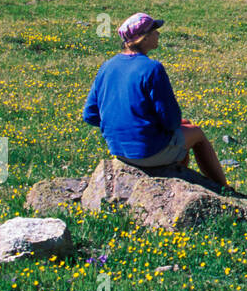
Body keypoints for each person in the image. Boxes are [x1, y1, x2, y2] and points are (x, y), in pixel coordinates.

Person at [83, 12, 229, 188]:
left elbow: (90, 115)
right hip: (146, 152)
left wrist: (122, 127)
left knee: (186, 124)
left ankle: (177, 175)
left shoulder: (107, 66)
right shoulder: (152, 69)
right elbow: (171, 121)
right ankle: (223, 188)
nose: (158, 34)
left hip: (118, 149)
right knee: (197, 133)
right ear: (143, 39)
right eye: (154, 31)